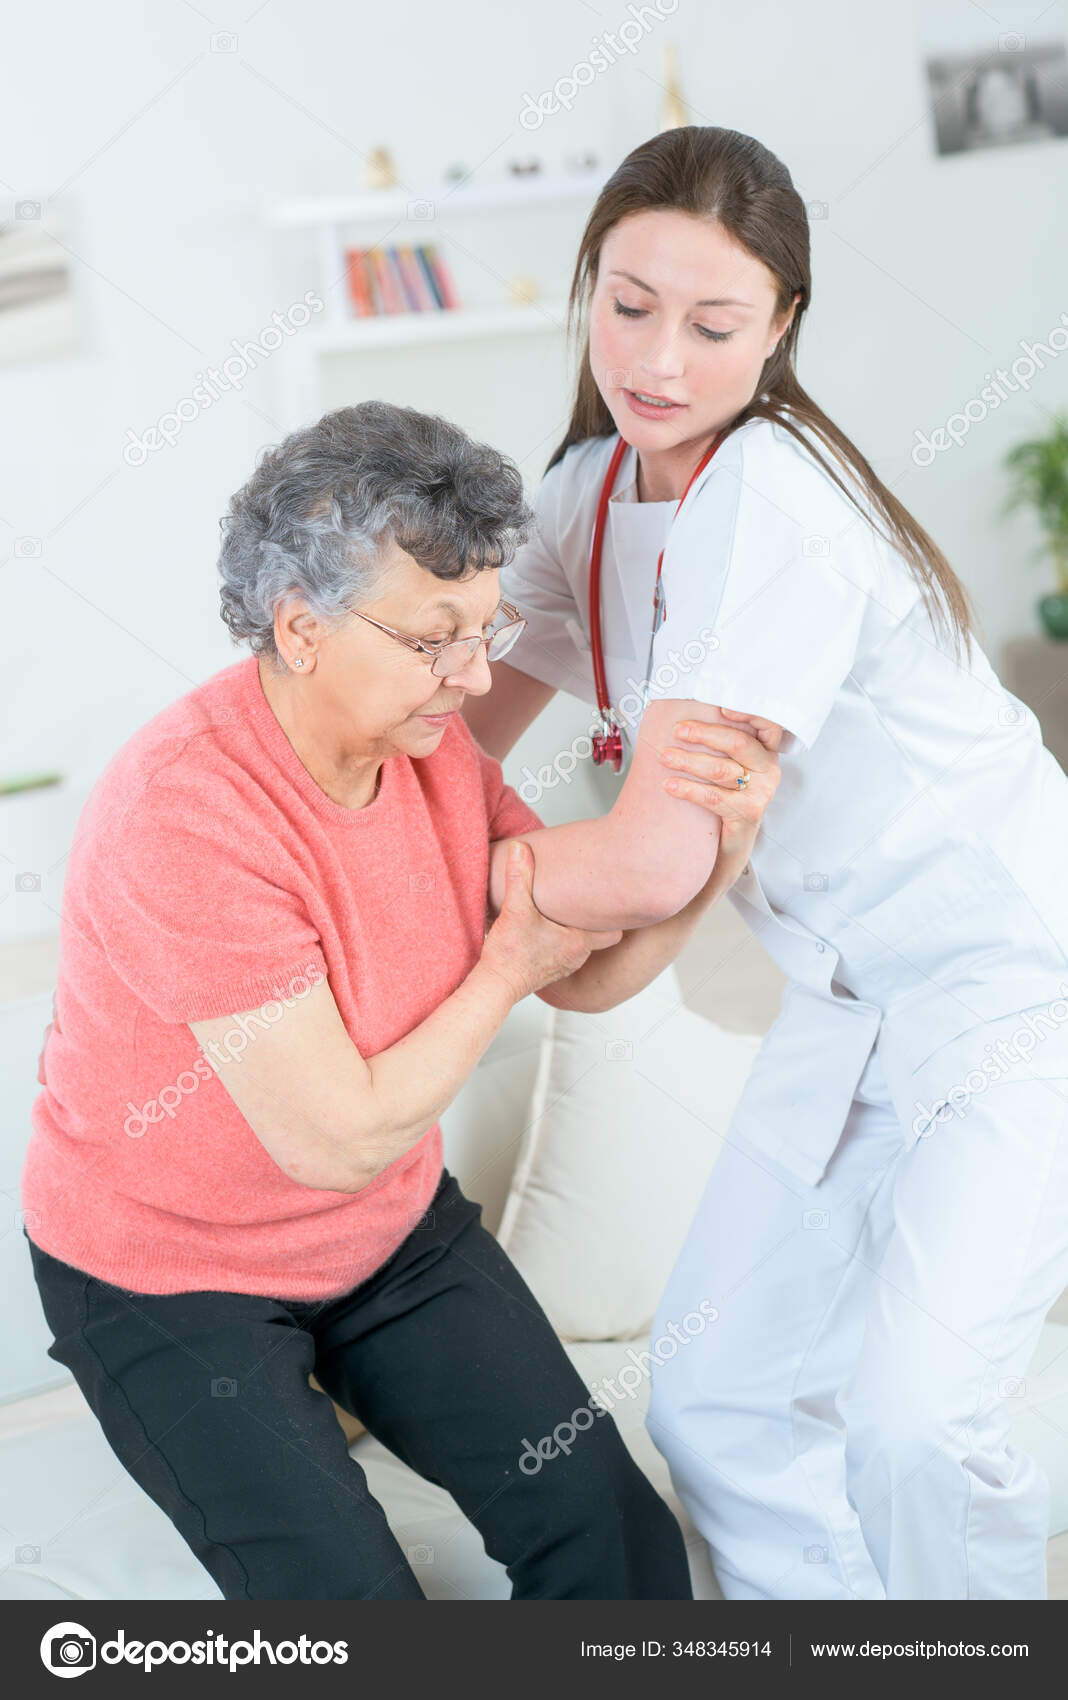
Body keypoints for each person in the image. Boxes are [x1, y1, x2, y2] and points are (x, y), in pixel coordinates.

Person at [21, 398, 779, 1602]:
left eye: (486, 630)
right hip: (173, 1276)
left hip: (386, 1235)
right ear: (300, 626)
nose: (476, 677)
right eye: (435, 640)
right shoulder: (187, 812)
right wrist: (505, 965)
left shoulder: (436, 759)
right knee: (356, 1618)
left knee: (613, 1533)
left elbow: (581, 977)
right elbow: (334, 1134)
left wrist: (717, 872)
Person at [461, 125, 1068, 1601]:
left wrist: (485, 896)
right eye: (628, 305)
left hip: (1009, 990)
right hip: (841, 998)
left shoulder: (773, 497)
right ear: (585, 289)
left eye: (716, 323)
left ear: (783, 326)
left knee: (915, 1426)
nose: (660, 356)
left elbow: (662, 856)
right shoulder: (591, 494)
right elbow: (443, 744)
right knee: (717, 1406)